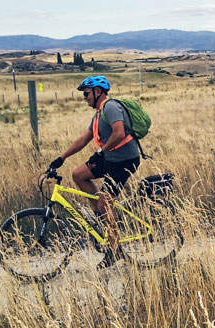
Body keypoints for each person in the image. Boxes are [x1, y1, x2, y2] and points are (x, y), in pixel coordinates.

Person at [48, 75, 141, 268]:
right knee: (78, 175)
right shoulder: (98, 114)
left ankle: (114, 250)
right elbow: (83, 140)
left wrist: (99, 152)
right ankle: (101, 215)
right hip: (110, 158)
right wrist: (62, 158)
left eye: (86, 93)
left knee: (106, 204)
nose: (84, 97)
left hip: (124, 160)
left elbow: (119, 133)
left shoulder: (111, 107)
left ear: (98, 92)